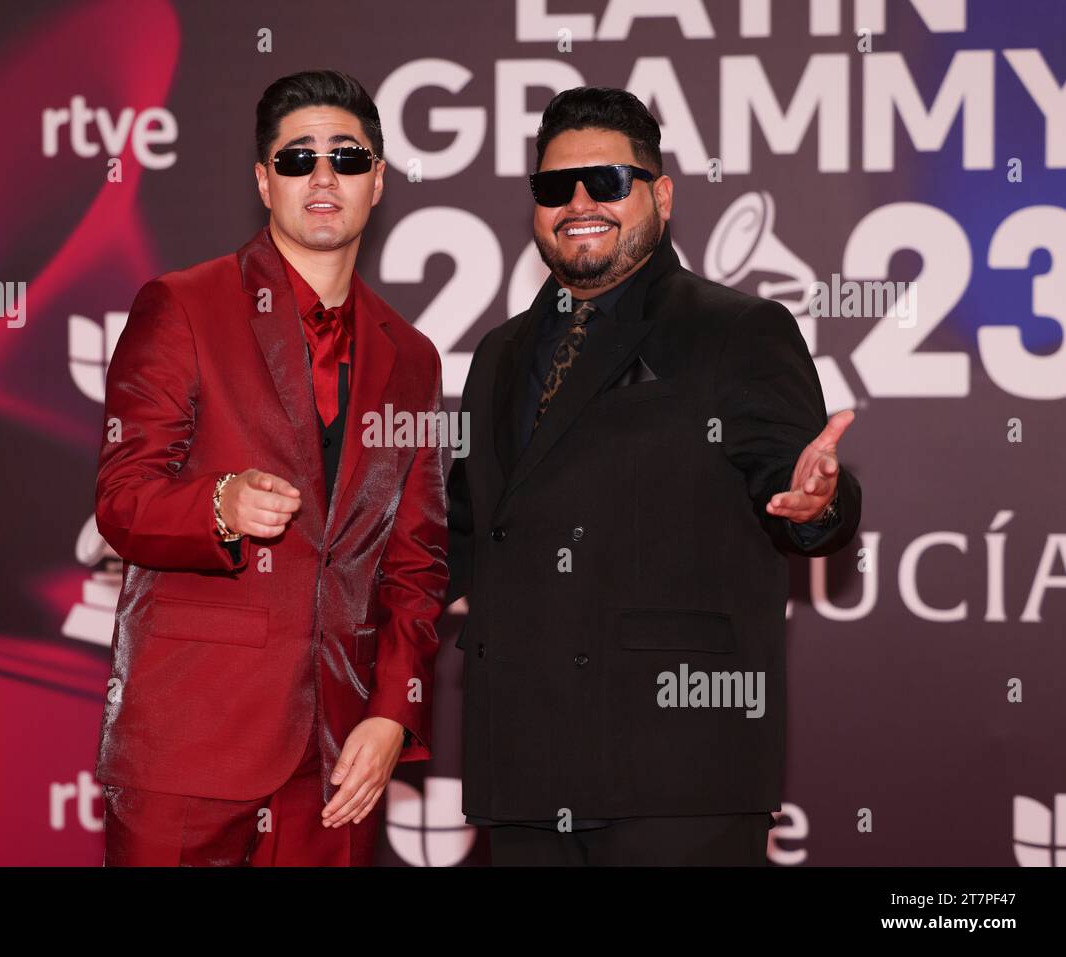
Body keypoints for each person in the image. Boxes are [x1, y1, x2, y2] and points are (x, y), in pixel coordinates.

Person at [446, 86, 862, 866]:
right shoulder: (498, 352)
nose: (577, 202)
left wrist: (816, 503)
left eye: (606, 181)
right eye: (552, 187)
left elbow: (798, 484)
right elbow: (464, 530)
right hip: (523, 769)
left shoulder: (736, 328)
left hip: (674, 770)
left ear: (660, 195)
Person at [94, 70, 448, 866]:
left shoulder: (413, 357)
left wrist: (391, 713)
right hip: (189, 741)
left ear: (379, 179)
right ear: (263, 180)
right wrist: (218, 503)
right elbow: (122, 500)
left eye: (348, 157)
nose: (324, 177)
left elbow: (417, 562)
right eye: (297, 159)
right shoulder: (184, 305)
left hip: (334, 762)